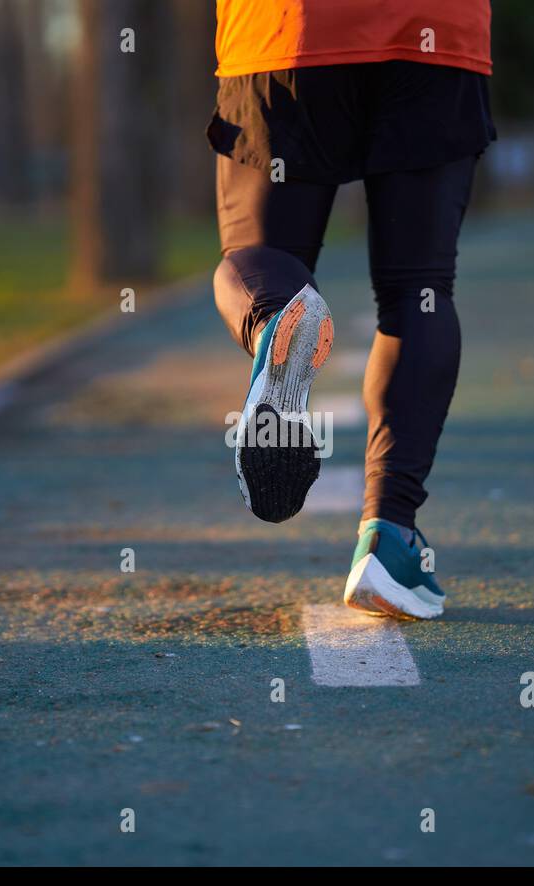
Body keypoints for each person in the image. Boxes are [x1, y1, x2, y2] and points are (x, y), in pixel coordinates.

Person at [209, 0, 495, 620]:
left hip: (285, 33)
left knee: (258, 258)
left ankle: (277, 318)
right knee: (418, 290)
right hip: (432, 36)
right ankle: (387, 539)